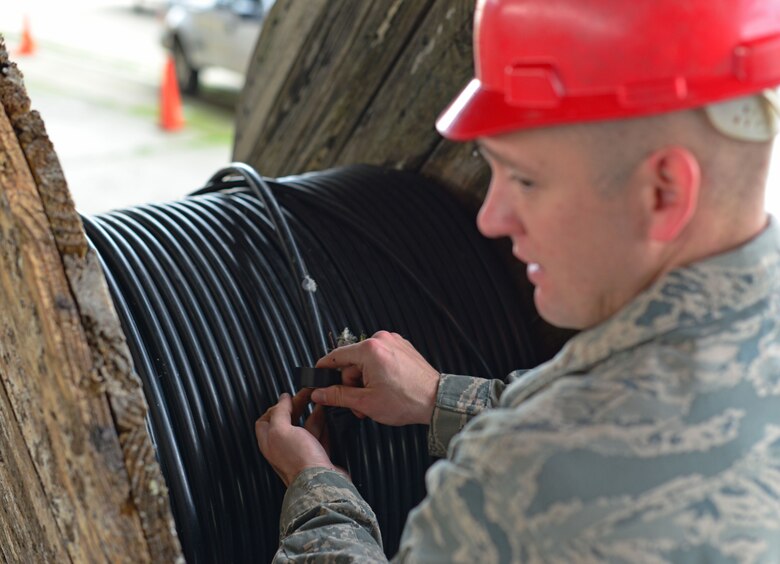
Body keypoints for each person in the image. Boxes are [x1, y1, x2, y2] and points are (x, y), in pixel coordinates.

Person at [255, 0, 780, 560]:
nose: (491, 216)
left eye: (526, 180)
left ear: (664, 192)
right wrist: (438, 398)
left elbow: (565, 455)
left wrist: (317, 487)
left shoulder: (518, 478)